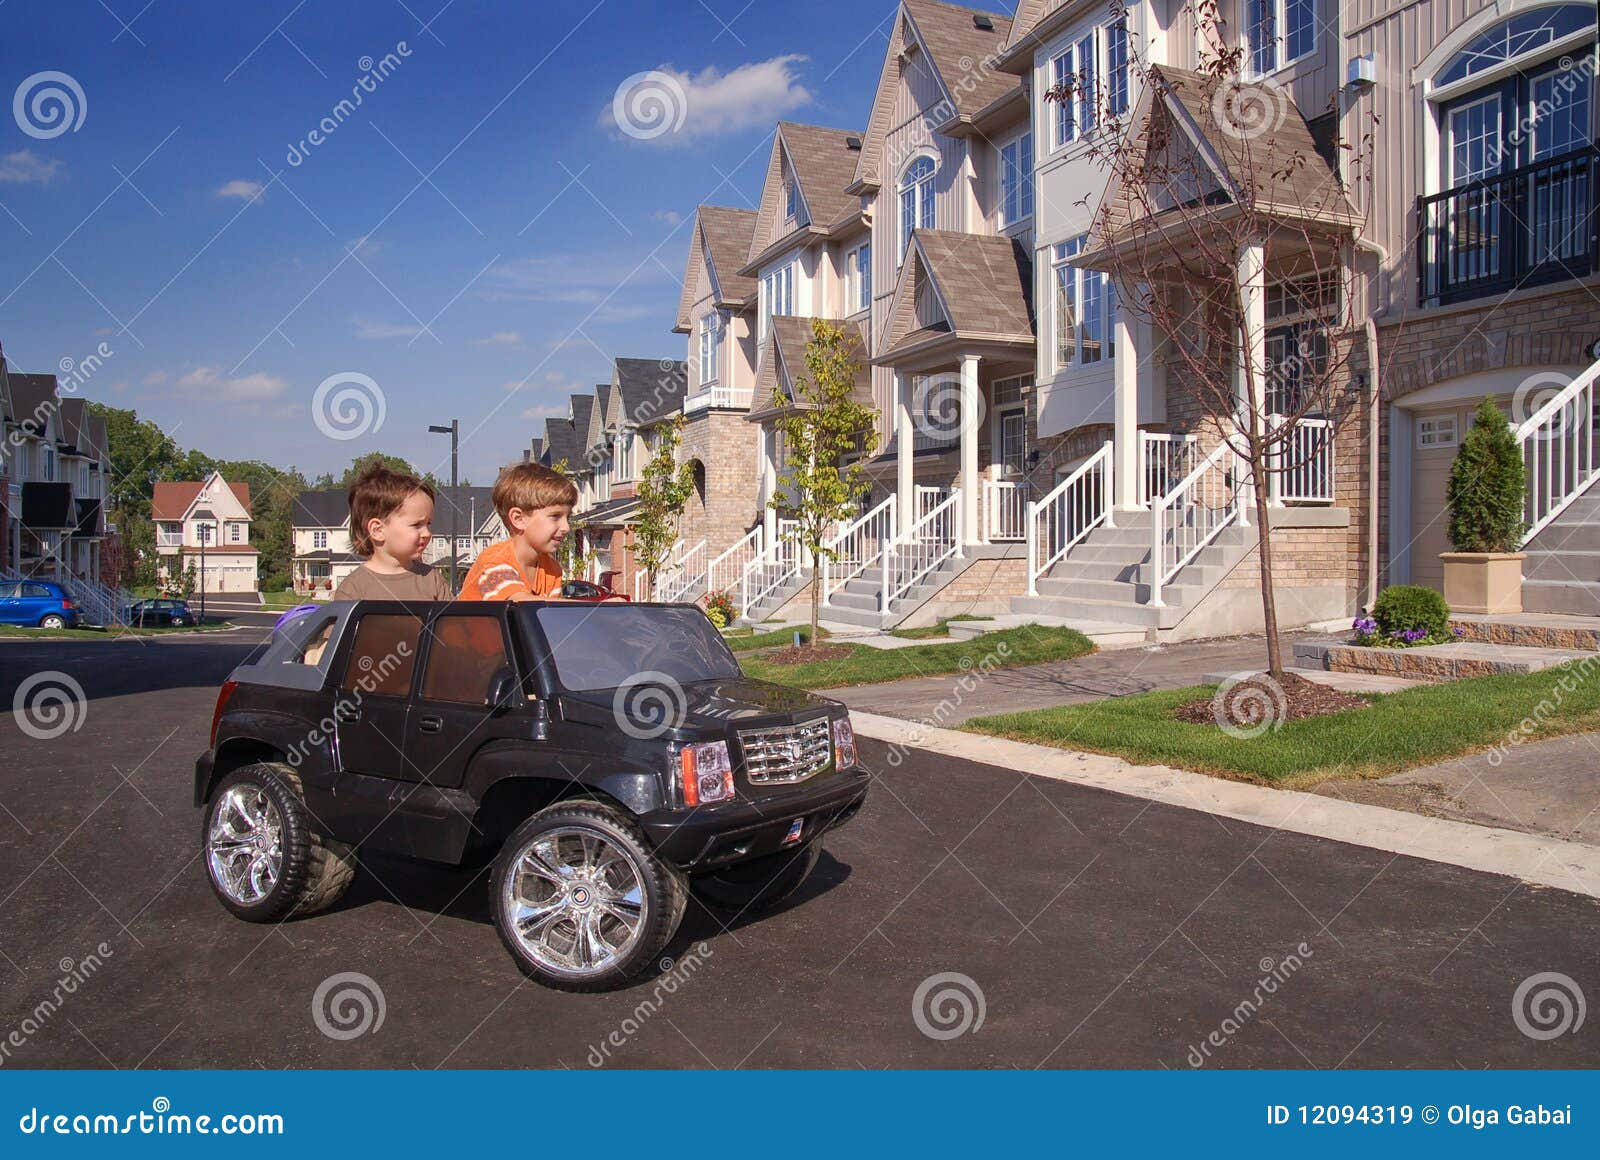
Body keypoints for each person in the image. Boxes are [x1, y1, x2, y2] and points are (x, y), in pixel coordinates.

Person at [331, 463, 455, 601]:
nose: (427, 533)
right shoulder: (353, 589)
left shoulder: (432, 579)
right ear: (377, 530)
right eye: (416, 525)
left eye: (428, 524)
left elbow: (454, 622)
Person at [460, 463, 580, 601]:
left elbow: (552, 617)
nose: (566, 527)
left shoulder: (552, 569)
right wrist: (597, 607)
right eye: (555, 516)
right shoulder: (494, 561)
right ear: (518, 519)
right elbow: (521, 603)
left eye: (568, 517)